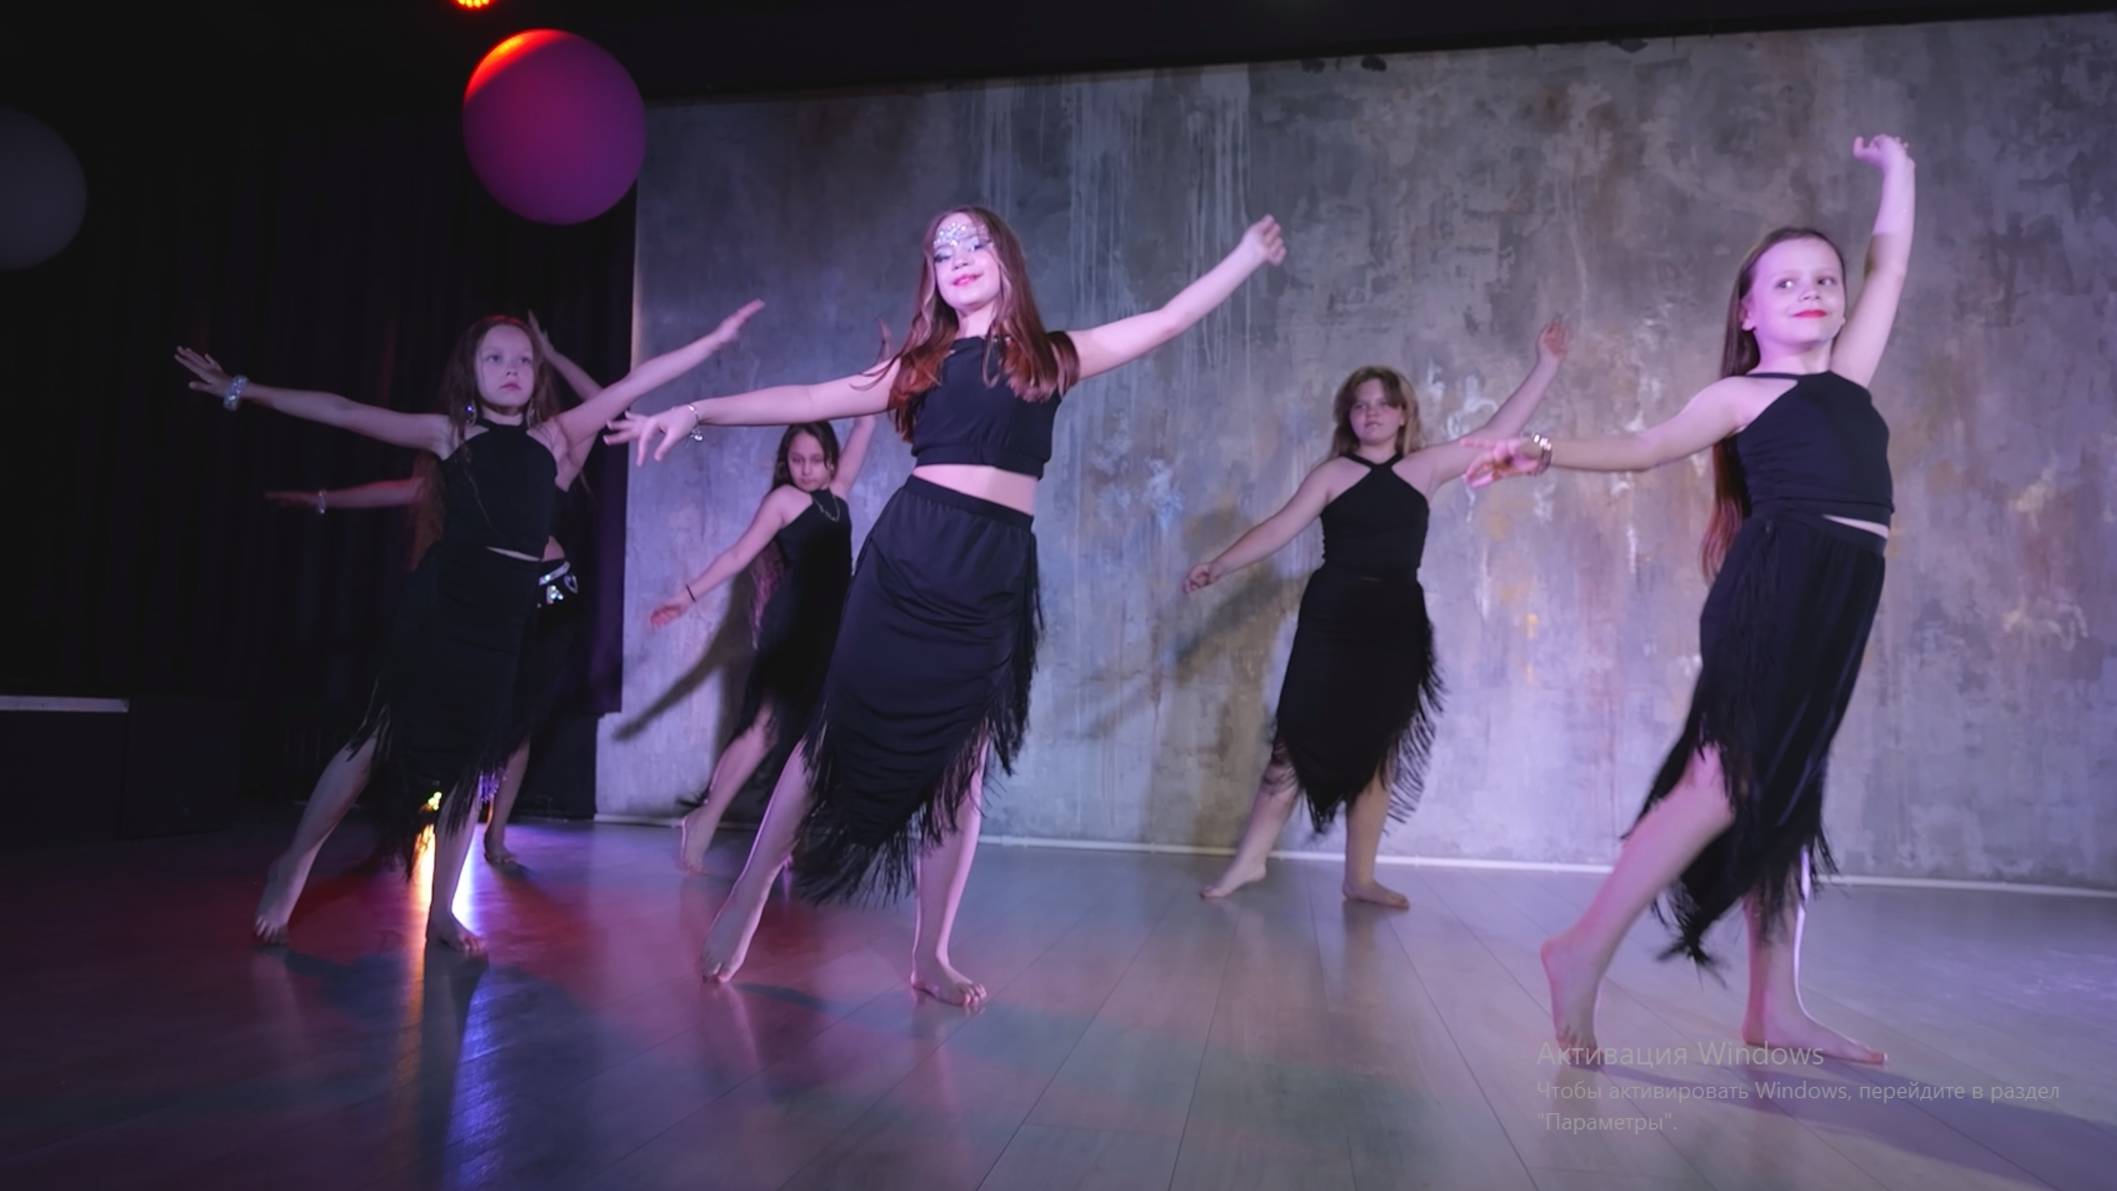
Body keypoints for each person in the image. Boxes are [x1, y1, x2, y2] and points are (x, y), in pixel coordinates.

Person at [610, 207, 1285, 1003]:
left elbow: (1165, 320)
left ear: (1005, 259)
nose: (957, 256)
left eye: (973, 243)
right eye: (941, 250)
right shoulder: (918, 367)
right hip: (909, 557)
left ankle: (930, 953)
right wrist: (694, 410)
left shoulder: (1052, 358)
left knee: (961, 770)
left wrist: (1245, 256)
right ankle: (751, 889)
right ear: (931, 278)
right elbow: (807, 394)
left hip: (992, 570)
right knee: (830, 733)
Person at [1465, 136, 1914, 1063]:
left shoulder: (1847, 379)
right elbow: (1643, 448)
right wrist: (1538, 451)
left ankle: (1774, 1007)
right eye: (1785, 283)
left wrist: (1897, 170)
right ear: (1748, 311)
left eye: (1823, 280)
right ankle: (1580, 946)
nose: (1811, 291)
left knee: (1789, 788)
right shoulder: (1740, 395)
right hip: (1779, 585)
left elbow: (1891, 264)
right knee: (1726, 778)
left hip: (1842, 591)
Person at [176, 299, 761, 951]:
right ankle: (294, 863)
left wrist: (713, 339)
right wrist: (240, 388)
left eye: (523, 359)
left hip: (504, 619)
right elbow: (343, 410)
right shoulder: (450, 434)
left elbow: (634, 383)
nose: (512, 369)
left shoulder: (557, 437)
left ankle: (442, 913)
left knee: (469, 764)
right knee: (374, 742)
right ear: (469, 371)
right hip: (441, 605)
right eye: (495, 358)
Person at [1189, 320, 1568, 906]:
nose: (1371, 413)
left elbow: (1497, 433)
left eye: (1383, 404)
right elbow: (1278, 528)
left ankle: (1359, 878)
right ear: (1348, 416)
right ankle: (1249, 862)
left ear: (1402, 414)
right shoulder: (1331, 474)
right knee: (1295, 741)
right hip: (1331, 617)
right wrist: (1218, 565)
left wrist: (1546, 364)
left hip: (1394, 621)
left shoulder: (1426, 467)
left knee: (1378, 753)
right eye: (1360, 405)